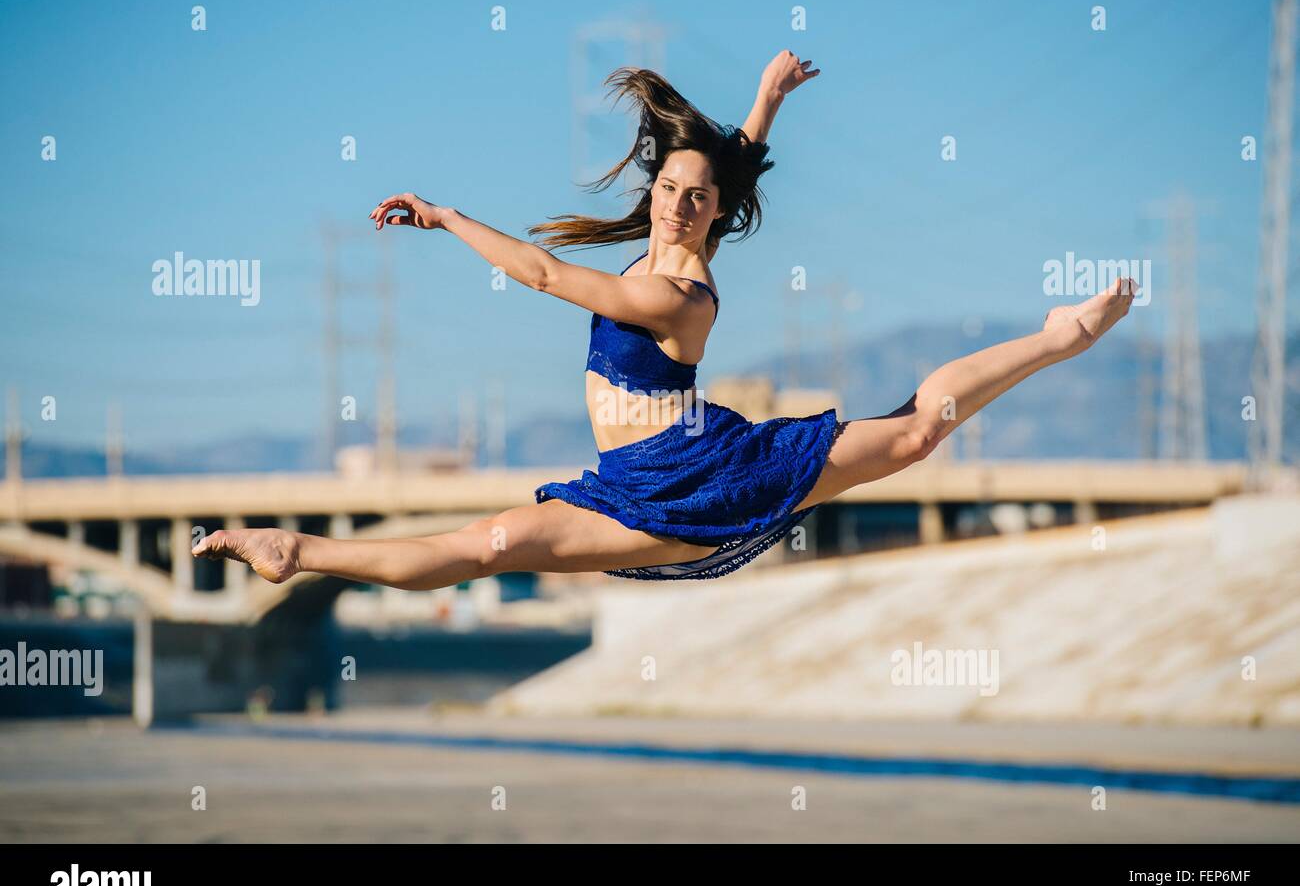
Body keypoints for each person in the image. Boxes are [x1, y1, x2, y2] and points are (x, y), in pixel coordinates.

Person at [194, 51, 1134, 587]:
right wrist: (763, 105)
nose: (683, 204)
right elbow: (738, 165)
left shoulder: (675, 295)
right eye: (673, 189)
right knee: (487, 545)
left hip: (705, 474)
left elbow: (545, 274)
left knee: (918, 430)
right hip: (630, 478)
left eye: (699, 198)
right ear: (658, 195)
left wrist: (444, 218)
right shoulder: (673, 250)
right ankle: (297, 550)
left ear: (711, 214)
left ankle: (1058, 336)